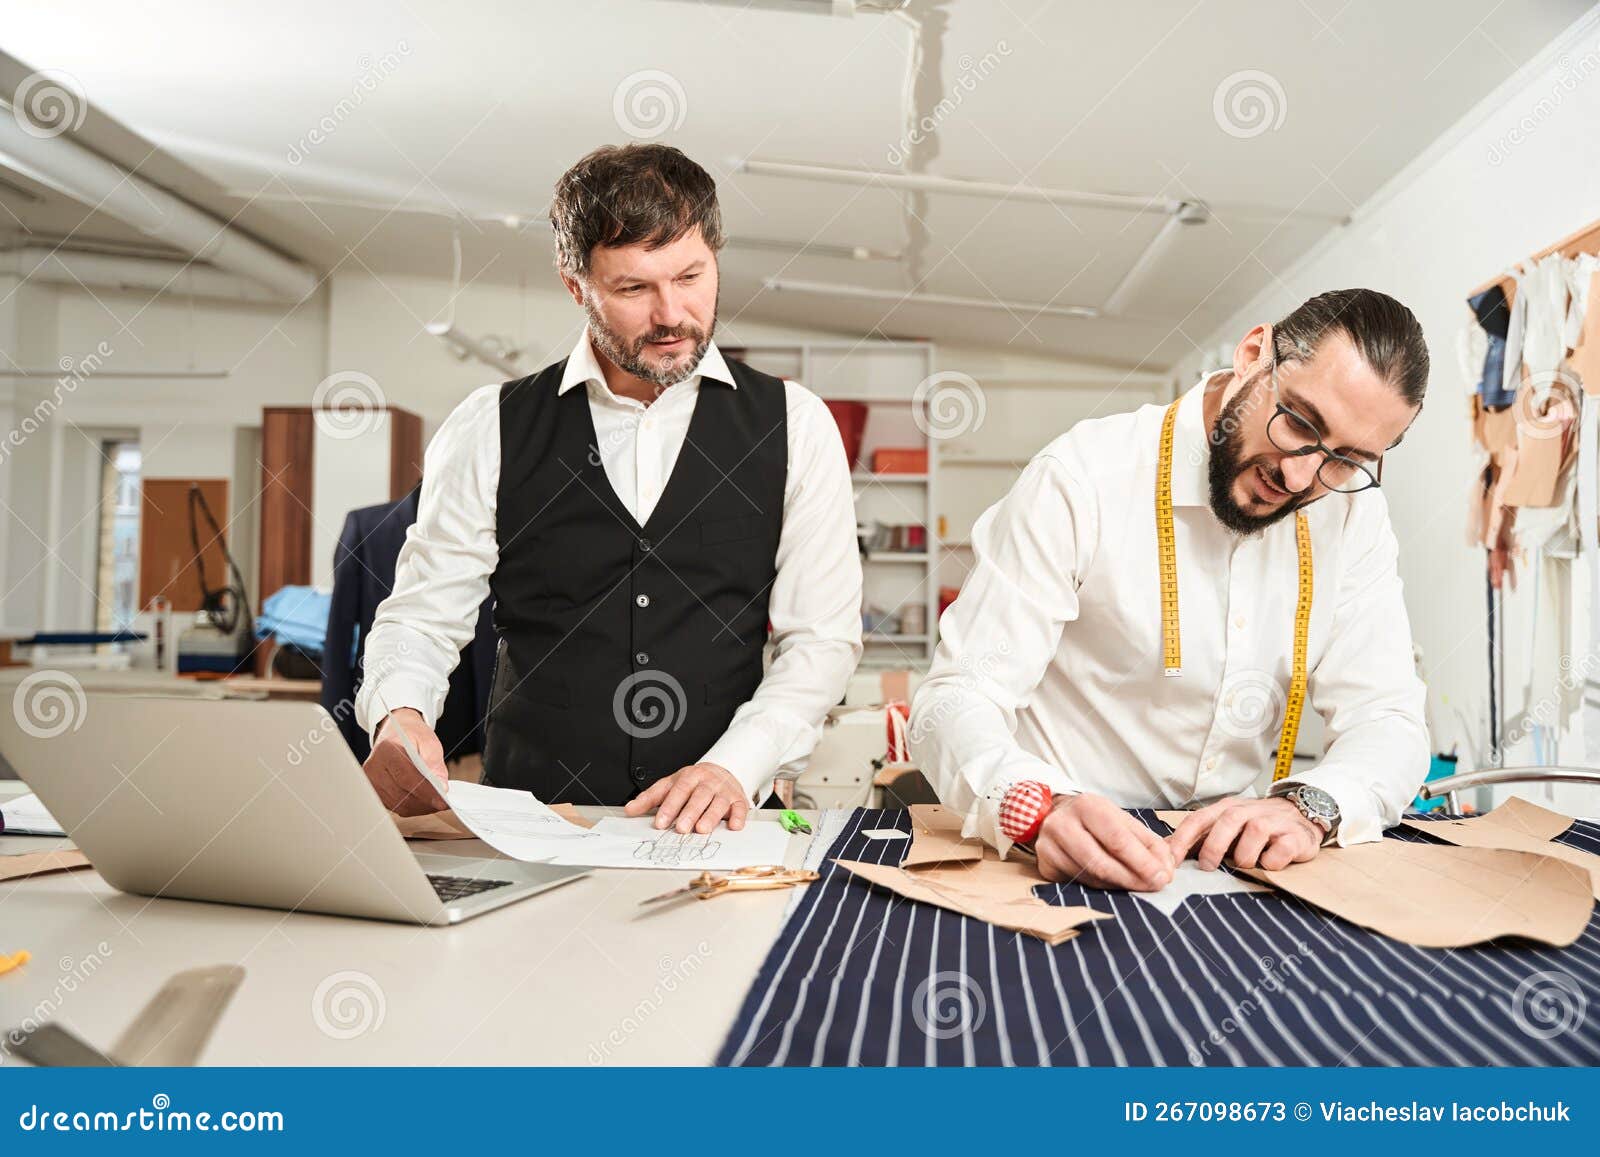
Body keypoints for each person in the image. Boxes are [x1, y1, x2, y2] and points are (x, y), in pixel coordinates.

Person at [355, 143, 863, 835]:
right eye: (633, 288)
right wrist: (402, 711)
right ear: (576, 285)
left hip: (724, 829)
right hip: (532, 824)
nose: (671, 314)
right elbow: (421, 615)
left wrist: (733, 767)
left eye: (691, 275)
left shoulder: (795, 426)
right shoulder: (490, 426)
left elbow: (822, 642)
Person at [910, 289, 1430, 890]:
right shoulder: (1085, 477)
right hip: (1052, 858)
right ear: (1254, 353)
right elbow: (955, 699)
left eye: (1346, 459)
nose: (1299, 476)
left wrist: (1310, 808)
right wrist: (1037, 808)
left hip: (1227, 870)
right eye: (1299, 423)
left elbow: (1386, 714)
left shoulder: (1351, 516)